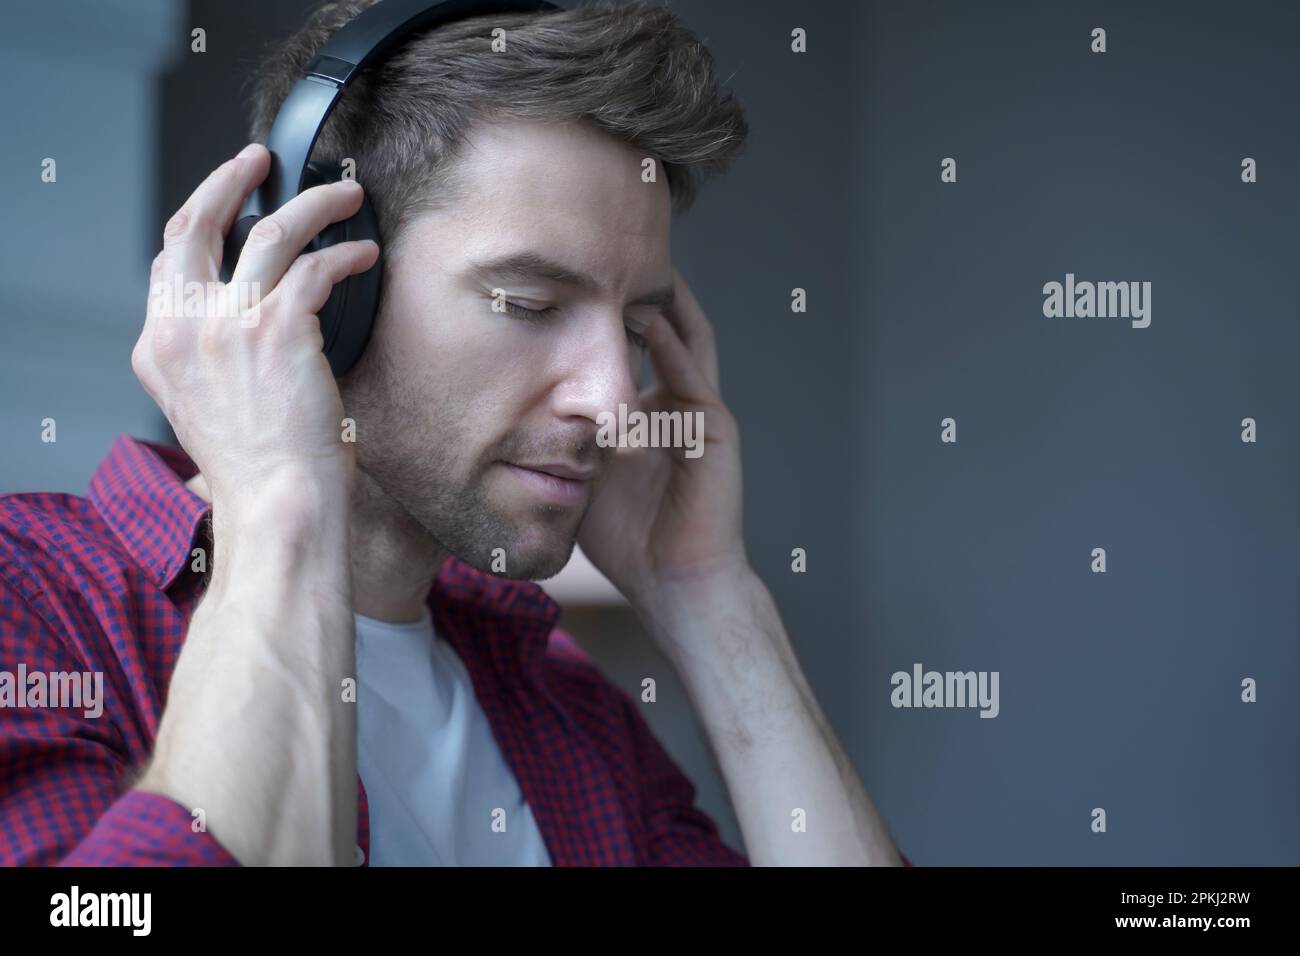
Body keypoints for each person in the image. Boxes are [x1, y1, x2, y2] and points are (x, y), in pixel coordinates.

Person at [0, 0, 906, 866]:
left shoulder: (565, 705)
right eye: (529, 301)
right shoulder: (31, 610)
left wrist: (708, 595)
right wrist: (278, 506)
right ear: (320, 286)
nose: (616, 402)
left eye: (632, 330)